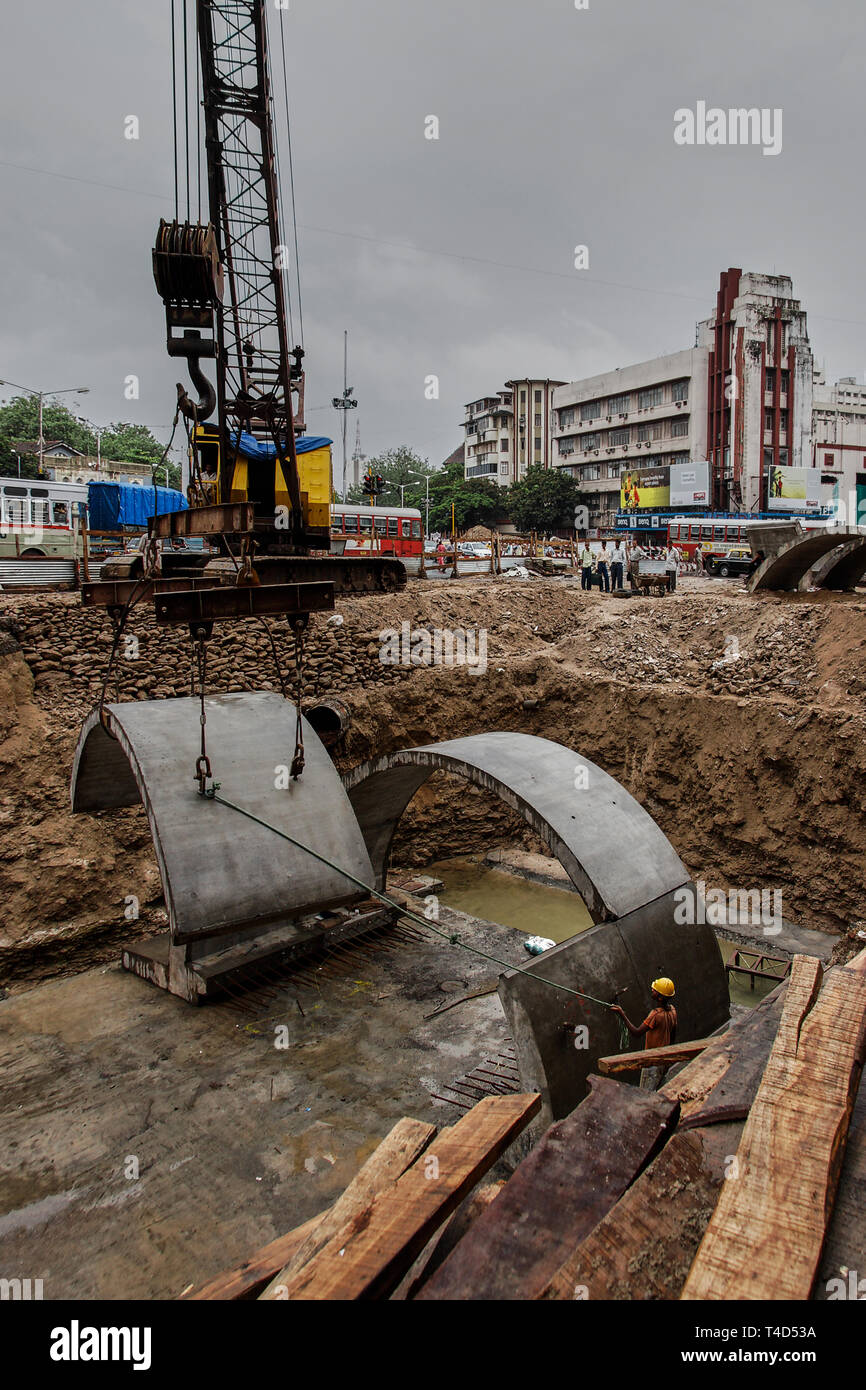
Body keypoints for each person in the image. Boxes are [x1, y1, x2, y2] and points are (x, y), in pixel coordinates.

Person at [610, 977, 677, 1091]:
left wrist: (622, 1014)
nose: (652, 989)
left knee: (645, 1094)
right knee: (661, 1090)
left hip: (652, 1062)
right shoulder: (672, 1010)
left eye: (654, 990)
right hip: (664, 1058)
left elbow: (636, 1033)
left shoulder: (655, 1015)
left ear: (660, 997)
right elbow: (673, 1033)